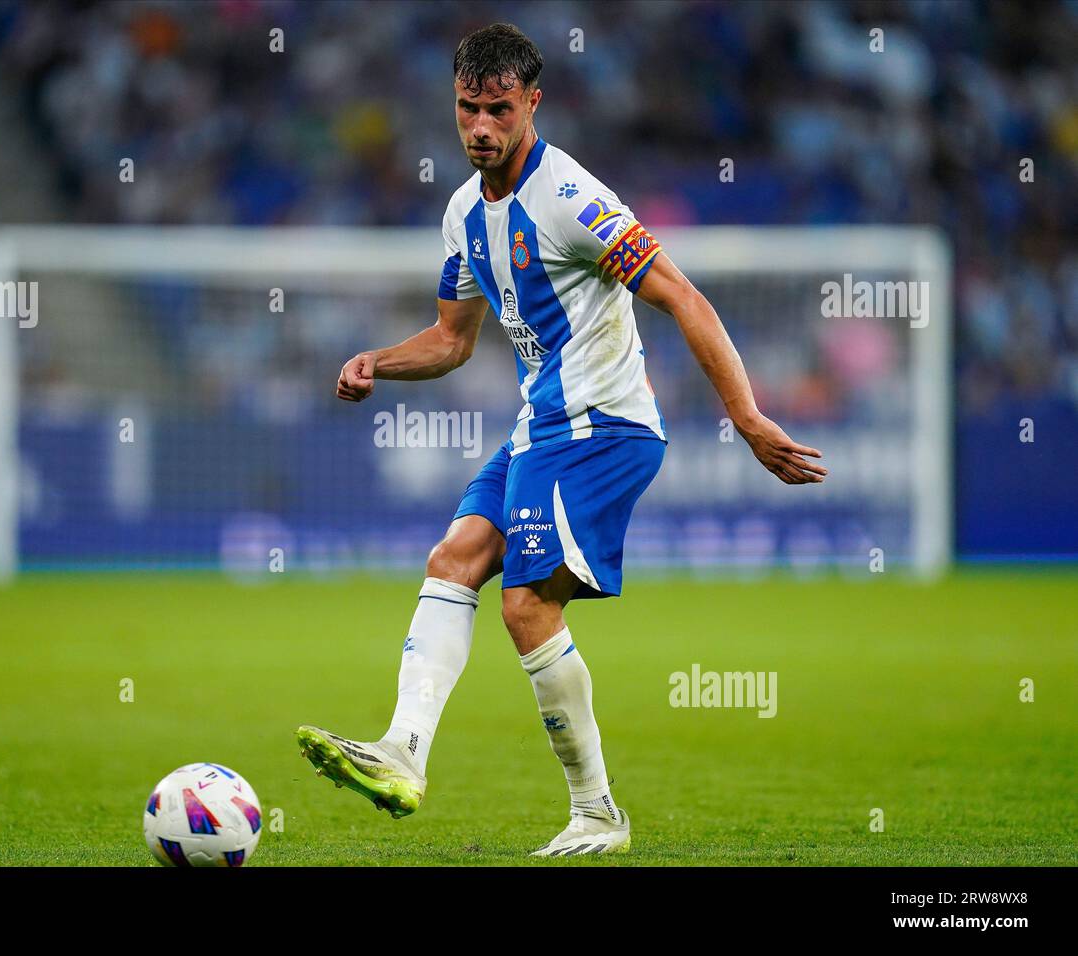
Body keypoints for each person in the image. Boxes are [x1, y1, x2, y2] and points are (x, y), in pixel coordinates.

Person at [297, 22, 826, 856]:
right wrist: (378, 362)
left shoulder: (573, 200)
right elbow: (452, 340)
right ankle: (401, 753)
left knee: (525, 605)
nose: (481, 127)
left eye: (498, 110)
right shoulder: (464, 212)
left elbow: (684, 296)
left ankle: (597, 813)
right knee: (455, 559)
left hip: (603, 428)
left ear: (532, 103)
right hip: (542, 427)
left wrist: (746, 415)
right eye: (468, 108)